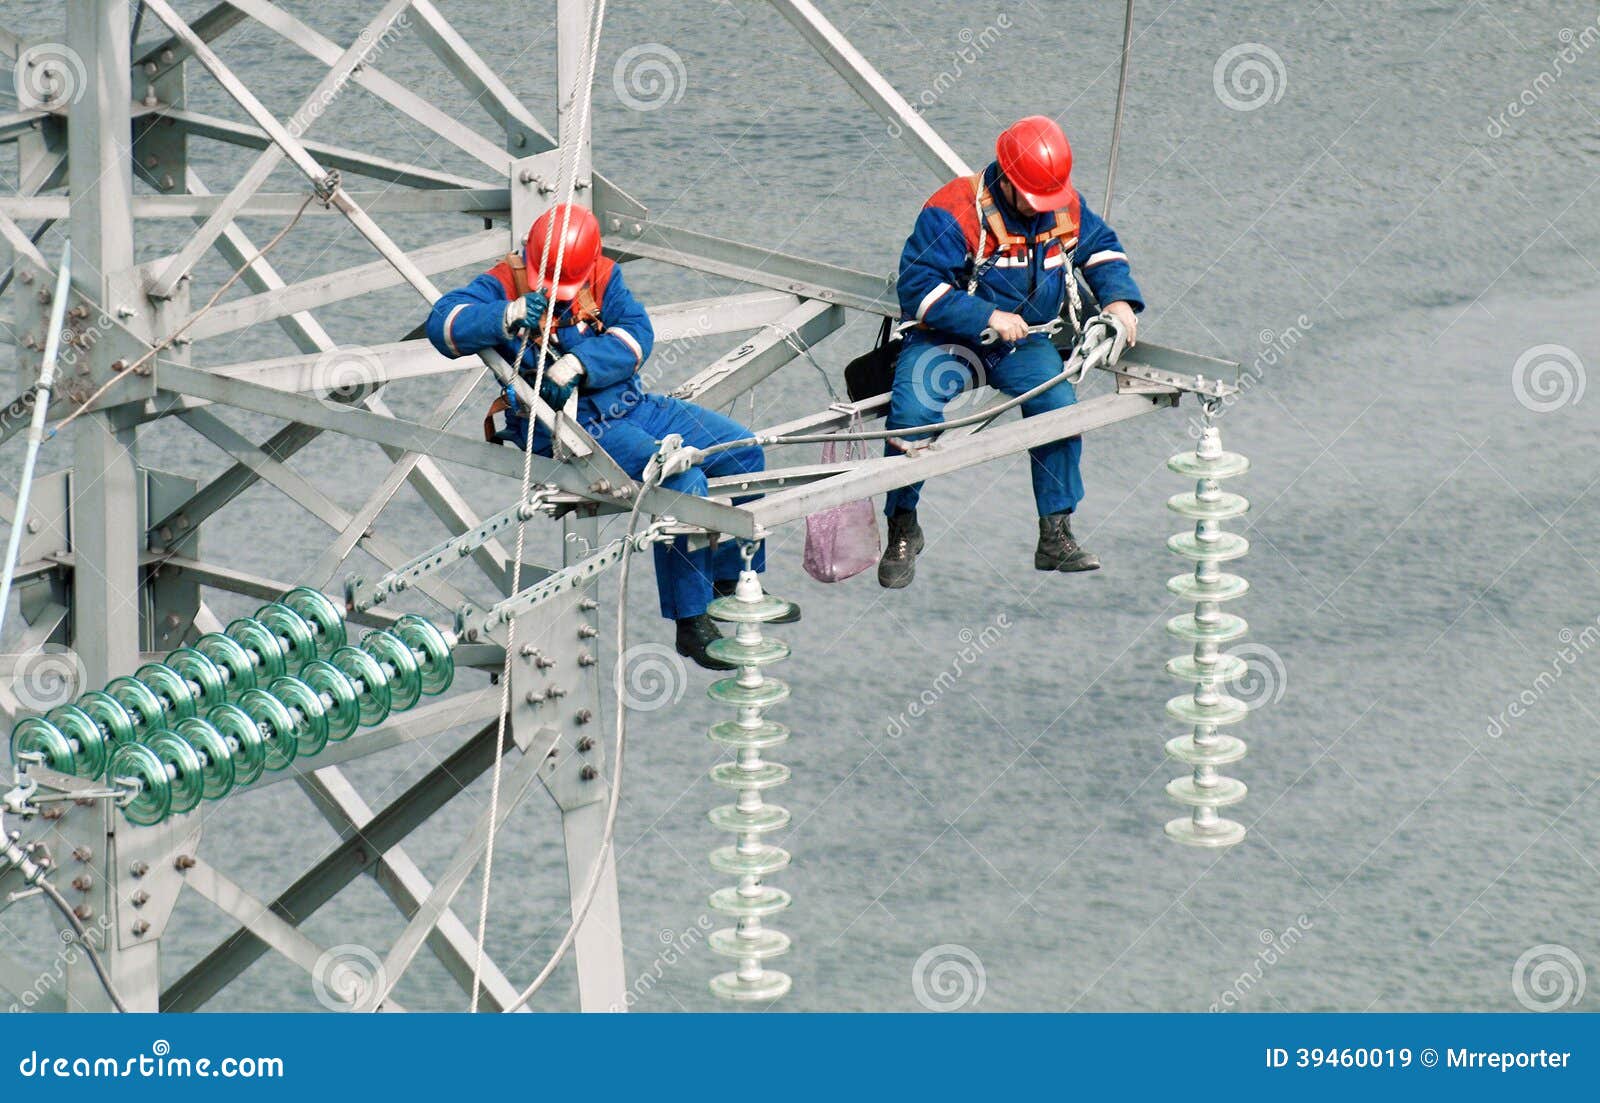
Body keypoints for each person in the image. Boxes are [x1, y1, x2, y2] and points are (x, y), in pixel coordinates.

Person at [425, 203, 796, 670]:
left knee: (742, 452)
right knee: (680, 483)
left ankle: (730, 580)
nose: (560, 298)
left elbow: (637, 335)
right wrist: (505, 315)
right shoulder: (505, 281)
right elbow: (443, 324)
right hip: (570, 429)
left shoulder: (602, 276)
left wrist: (582, 364)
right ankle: (691, 618)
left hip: (630, 405)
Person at [878, 115, 1144, 589]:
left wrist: (1119, 301)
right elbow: (917, 289)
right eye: (1032, 197)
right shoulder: (952, 210)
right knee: (912, 416)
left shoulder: (1063, 204)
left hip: (1023, 343)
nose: (1041, 207)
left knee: (1059, 411)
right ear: (1007, 177)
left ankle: (1055, 533)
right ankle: (903, 523)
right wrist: (986, 318)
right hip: (948, 339)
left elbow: (1101, 250)